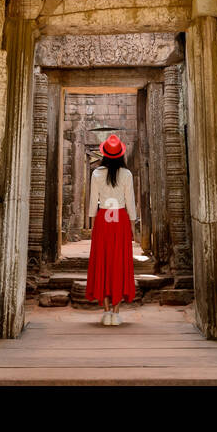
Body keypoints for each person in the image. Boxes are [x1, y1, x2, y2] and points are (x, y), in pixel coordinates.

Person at [85, 133, 137, 325]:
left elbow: (92, 202)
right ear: (120, 155)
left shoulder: (96, 174)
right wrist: (132, 225)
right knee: (119, 263)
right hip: (120, 219)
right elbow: (130, 201)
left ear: (104, 154)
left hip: (103, 220)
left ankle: (106, 312)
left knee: (103, 262)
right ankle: (116, 312)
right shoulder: (127, 175)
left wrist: (92, 224)